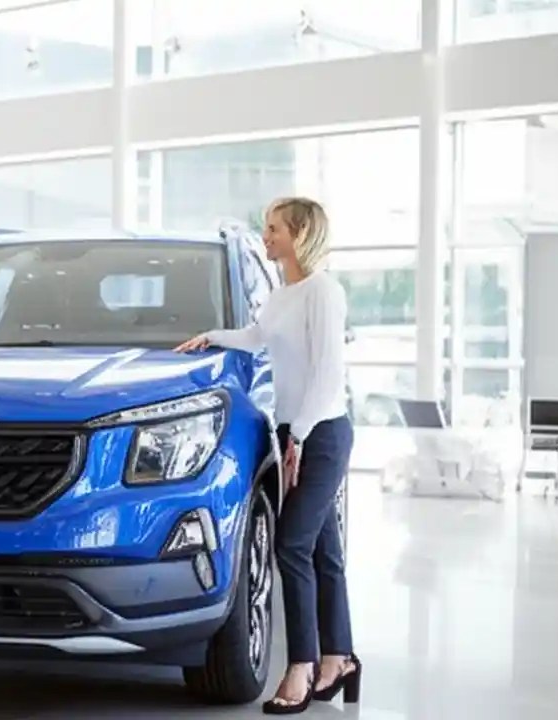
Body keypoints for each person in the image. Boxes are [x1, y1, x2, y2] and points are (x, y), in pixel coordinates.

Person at [174, 197, 360, 714]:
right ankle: (338, 658)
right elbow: (257, 338)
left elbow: (328, 377)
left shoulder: (323, 291)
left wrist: (297, 436)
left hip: (321, 433)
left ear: (300, 233)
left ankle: (301, 664)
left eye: (274, 228)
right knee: (325, 552)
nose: (266, 235)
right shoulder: (283, 294)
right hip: (293, 431)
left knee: (292, 547)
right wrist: (211, 337)